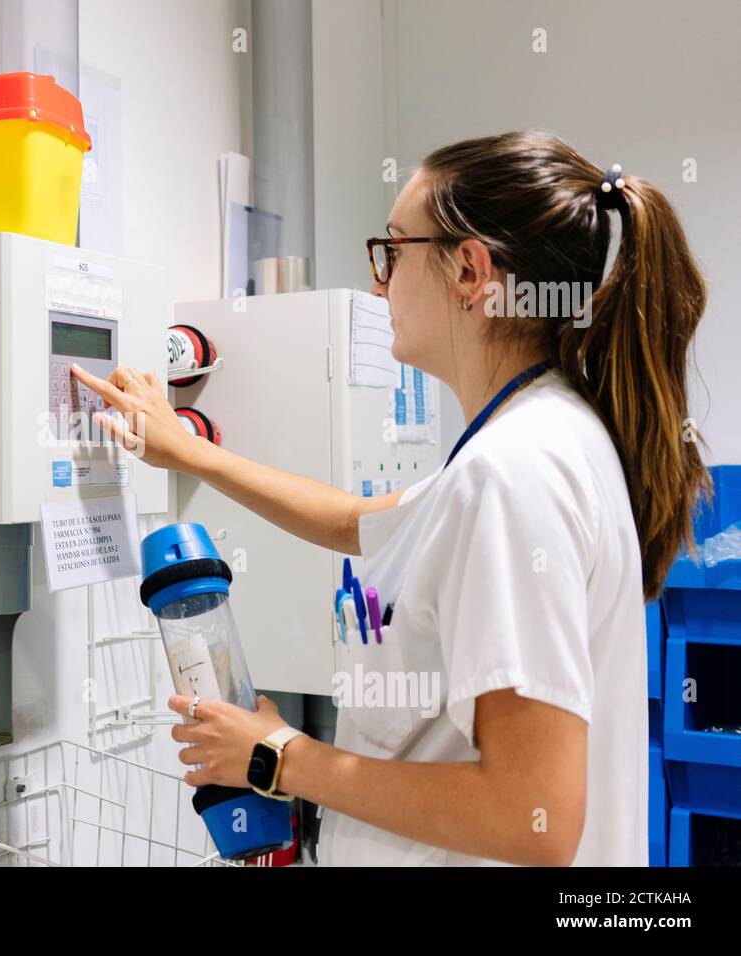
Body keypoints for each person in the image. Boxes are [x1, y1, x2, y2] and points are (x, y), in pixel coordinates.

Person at [70, 130, 710, 865]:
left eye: (393, 251)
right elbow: (352, 520)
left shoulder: (514, 473)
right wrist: (186, 450)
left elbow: (530, 816)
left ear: (471, 272)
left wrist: (277, 756)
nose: (378, 284)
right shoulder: (531, 437)